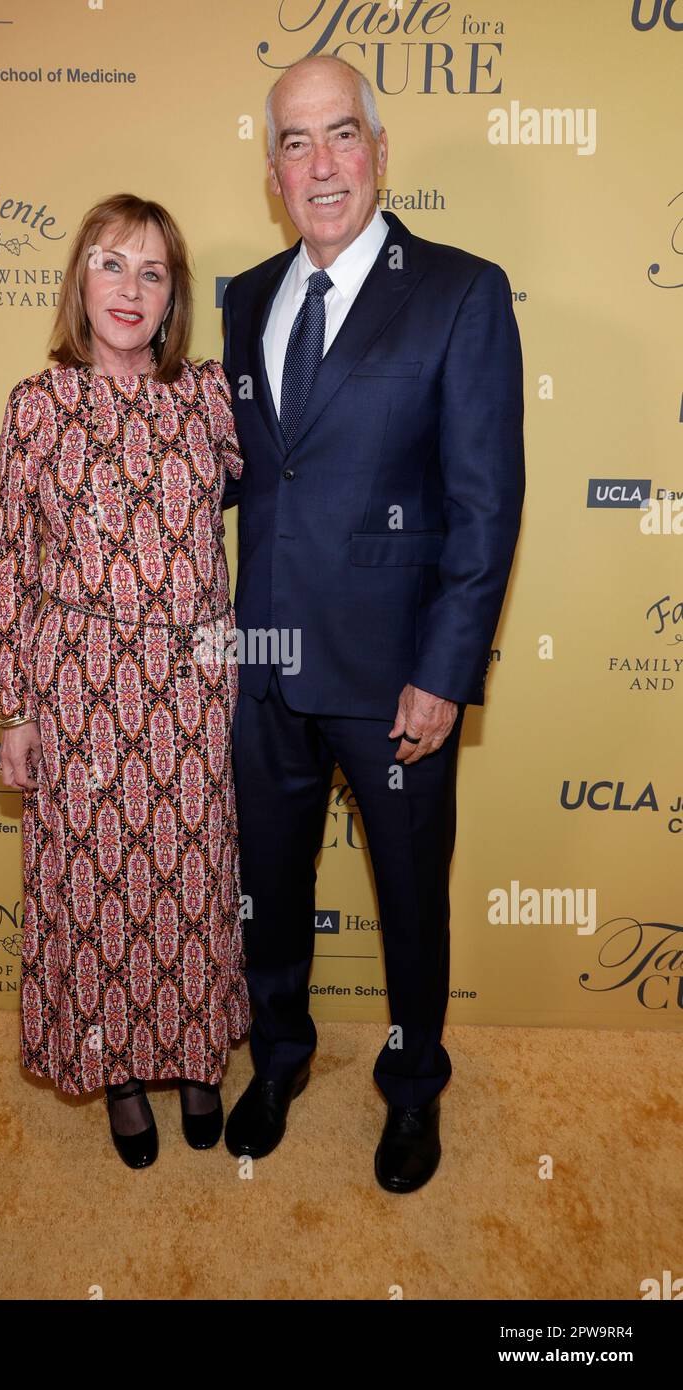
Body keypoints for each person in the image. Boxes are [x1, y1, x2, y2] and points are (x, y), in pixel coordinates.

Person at [220, 54, 525, 1192]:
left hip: (395, 675)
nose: (320, 163)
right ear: (272, 172)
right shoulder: (245, 296)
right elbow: (247, 478)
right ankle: (279, 1056)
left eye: (339, 134)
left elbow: (485, 502)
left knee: (407, 896)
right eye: (294, 143)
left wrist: (443, 673)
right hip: (259, 668)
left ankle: (411, 1087)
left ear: (379, 150)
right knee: (269, 886)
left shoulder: (458, 289)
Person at [0, 193, 249, 1169]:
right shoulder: (37, 405)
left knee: (191, 881)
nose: (129, 288)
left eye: (152, 271)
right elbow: (15, 560)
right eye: (110, 264)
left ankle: (194, 1060)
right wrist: (15, 705)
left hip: (191, 685)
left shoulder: (207, 397)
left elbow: (286, 492)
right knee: (99, 890)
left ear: (174, 292)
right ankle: (122, 1076)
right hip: (81, 685)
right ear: (79, 281)